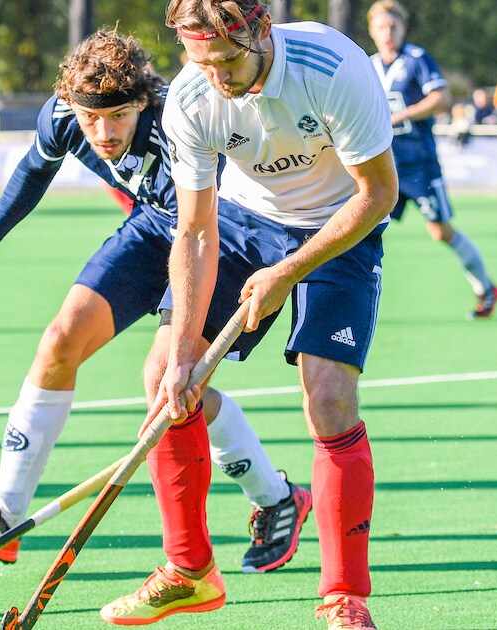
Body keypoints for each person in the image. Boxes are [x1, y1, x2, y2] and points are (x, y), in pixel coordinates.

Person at [0, 28, 313, 575]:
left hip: (221, 237)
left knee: (172, 383)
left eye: (118, 118)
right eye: (90, 120)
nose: (103, 134)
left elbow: (212, 219)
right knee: (61, 341)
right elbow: (34, 171)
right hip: (155, 227)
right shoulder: (63, 116)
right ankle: (4, 516)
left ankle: (275, 498)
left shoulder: (178, 117)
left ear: (142, 104)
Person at [97, 2, 397, 628]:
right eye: (203, 63)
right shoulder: (190, 98)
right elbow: (197, 232)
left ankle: (344, 596)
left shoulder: (333, 65)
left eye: (228, 61)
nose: (218, 78)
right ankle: (189, 573)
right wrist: (182, 346)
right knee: (165, 379)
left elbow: (378, 194)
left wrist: (288, 273)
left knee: (329, 398)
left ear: (261, 33)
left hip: (339, 224)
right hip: (243, 223)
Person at [367, 0, 497, 319]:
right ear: (372, 31)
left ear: (403, 28)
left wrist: (402, 115)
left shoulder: (416, 59)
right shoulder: (368, 64)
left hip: (419, 164)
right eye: (382, 27)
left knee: (440, 231)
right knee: (364, 227)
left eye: (394, 27)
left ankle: (486, 287)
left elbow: (441, 98)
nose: (388, 33)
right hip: (383, 165)